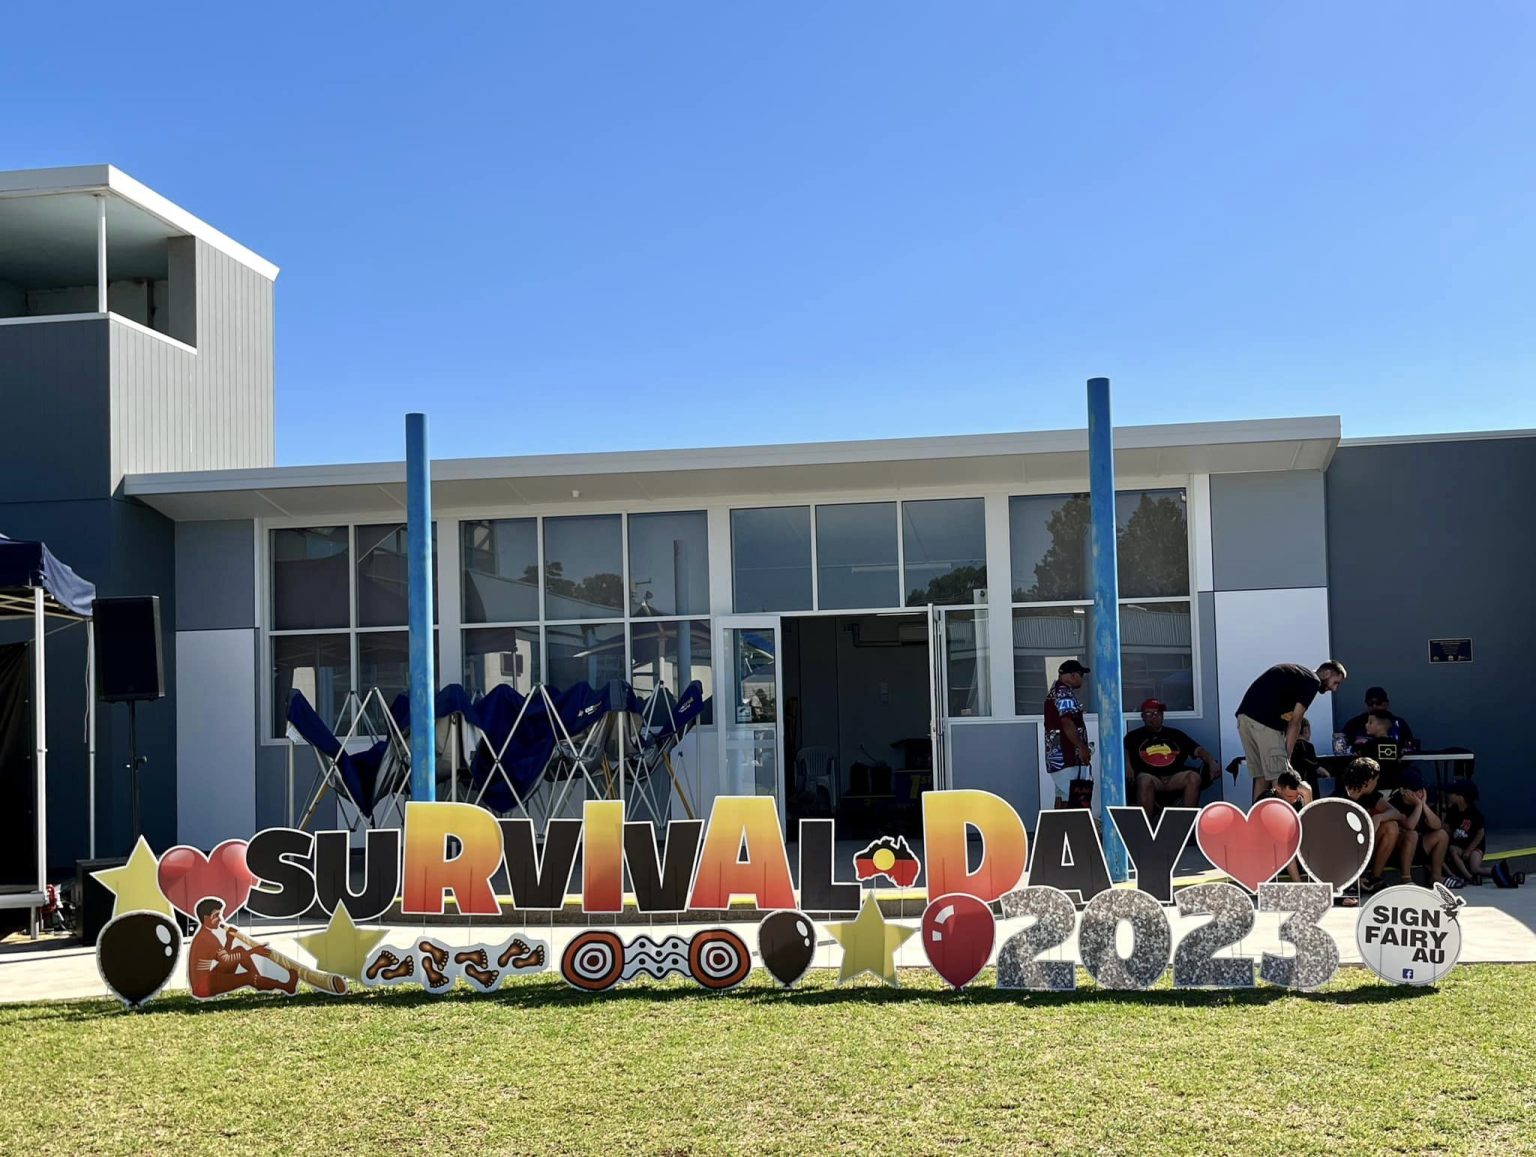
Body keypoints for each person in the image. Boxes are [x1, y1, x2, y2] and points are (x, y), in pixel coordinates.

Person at [1235, 659, 1347, 797]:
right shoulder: (1312, 681)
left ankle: (1257, 815)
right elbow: (1295, 721)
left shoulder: (1297, 674)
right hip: (1265, 722)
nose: (1334, 689)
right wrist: (1287, 756)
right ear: (1327, 673)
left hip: (1244, 719)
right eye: (1335, 682)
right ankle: (1285, 817)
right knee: (1282, 777)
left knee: (1261, 776)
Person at [188, 897, 297, 999]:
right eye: (216, 915)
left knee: (239, 950)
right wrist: (254, 951)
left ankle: (258, 980)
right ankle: (285, 986)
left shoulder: (206, 935)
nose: (220, 919)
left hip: (207, 980)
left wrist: (229, 940)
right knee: (248, 977)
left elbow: (223, 958)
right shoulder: (207, 938)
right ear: (206, 918)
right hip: (203, 987)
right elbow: (226, 959)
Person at [1123, 698, 1220, 812]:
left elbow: (1198, 750)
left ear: (1162, 716)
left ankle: (1186, 822)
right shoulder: (1133, 736)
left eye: (1157, 713)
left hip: (1174, 777)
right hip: (1151, 777)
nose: (1154, 717)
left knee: (1193, 777)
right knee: (1144, 780)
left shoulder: (1175, 734)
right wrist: (1128, 765)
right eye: (1149, 713)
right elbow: (1124, 752)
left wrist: (1211, 761)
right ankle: (1145, 826)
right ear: (1142, 716)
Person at [1334, 757, 1399, 893]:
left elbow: (1396, 813)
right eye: (1375, 780)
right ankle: (1352, 881)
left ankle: (1375, 878)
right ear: (1367, 781)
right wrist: (1353, 878)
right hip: (1342, 859)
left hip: (1364, 852)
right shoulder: (1338, 800)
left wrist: (1378, 817)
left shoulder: (1368, 795)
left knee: (1391, 826)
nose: (1376, 783)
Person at [1382, 767, 1451, 886]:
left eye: (1421, 789)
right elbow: (1410, 826)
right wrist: (1419, 805)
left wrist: (1423, 805)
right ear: (1404, 790)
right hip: (1397, 854)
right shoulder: (1395, 803)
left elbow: (1437, 825)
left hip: (1418, 851)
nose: (1419, 793)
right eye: (1415, 790)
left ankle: (1436, 876)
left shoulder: (1422, 803)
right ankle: (1406, 878)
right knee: (1412, 834)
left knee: (1442, 834)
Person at [1043, 659, 1093, 806]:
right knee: (1073, 801)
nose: (1082, 678)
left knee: (1061, 798)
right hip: (1067, 756)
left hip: (1059, 758)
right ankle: (1074, 829)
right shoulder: (1063, 693)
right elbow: (1066, 721)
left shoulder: (1057, 690)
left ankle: (1055, 829)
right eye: (1080, 674)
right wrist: (1081, 746)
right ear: (1072, 675)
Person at [1261, 770, 1310, 882]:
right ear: (1278, 789)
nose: (1293, 800)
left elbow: (1309, 827)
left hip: (1292, 853)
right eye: (1289, 796)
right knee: (1286, 842)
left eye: (1296, 796)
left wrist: (1308, 794)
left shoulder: (1297, 800)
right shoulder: (1267, 800)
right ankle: (1299, 885)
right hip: (1269, 853)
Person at [1440, 780, 1487, 887]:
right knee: (1453, 850)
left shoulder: (1475, 814)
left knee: (1475, 867)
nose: (1449, 795)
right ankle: (1469, 877)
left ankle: (1494, 872)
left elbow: (1480, 833)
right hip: (1459, 845)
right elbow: (1446, 827)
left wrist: (1469, 850)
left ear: (1461, 797)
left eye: (1452, 793)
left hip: (1475, 846)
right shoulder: (1452, 810)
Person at [1342, 686, 1417, 753]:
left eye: (1379, 702)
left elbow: (1409, 748)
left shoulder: (1398, 723)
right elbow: (1344, 747)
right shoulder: (1355, 723)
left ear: (1386, 703)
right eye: (1370, 703)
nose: (1374, 706)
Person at [1357, 709, 1408, 789]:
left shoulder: (1369, 745)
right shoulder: (1396, 744)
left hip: (1375, 787)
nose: (1366, 725)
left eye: (1370, 722)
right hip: (1393, 786)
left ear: (1381, 726)